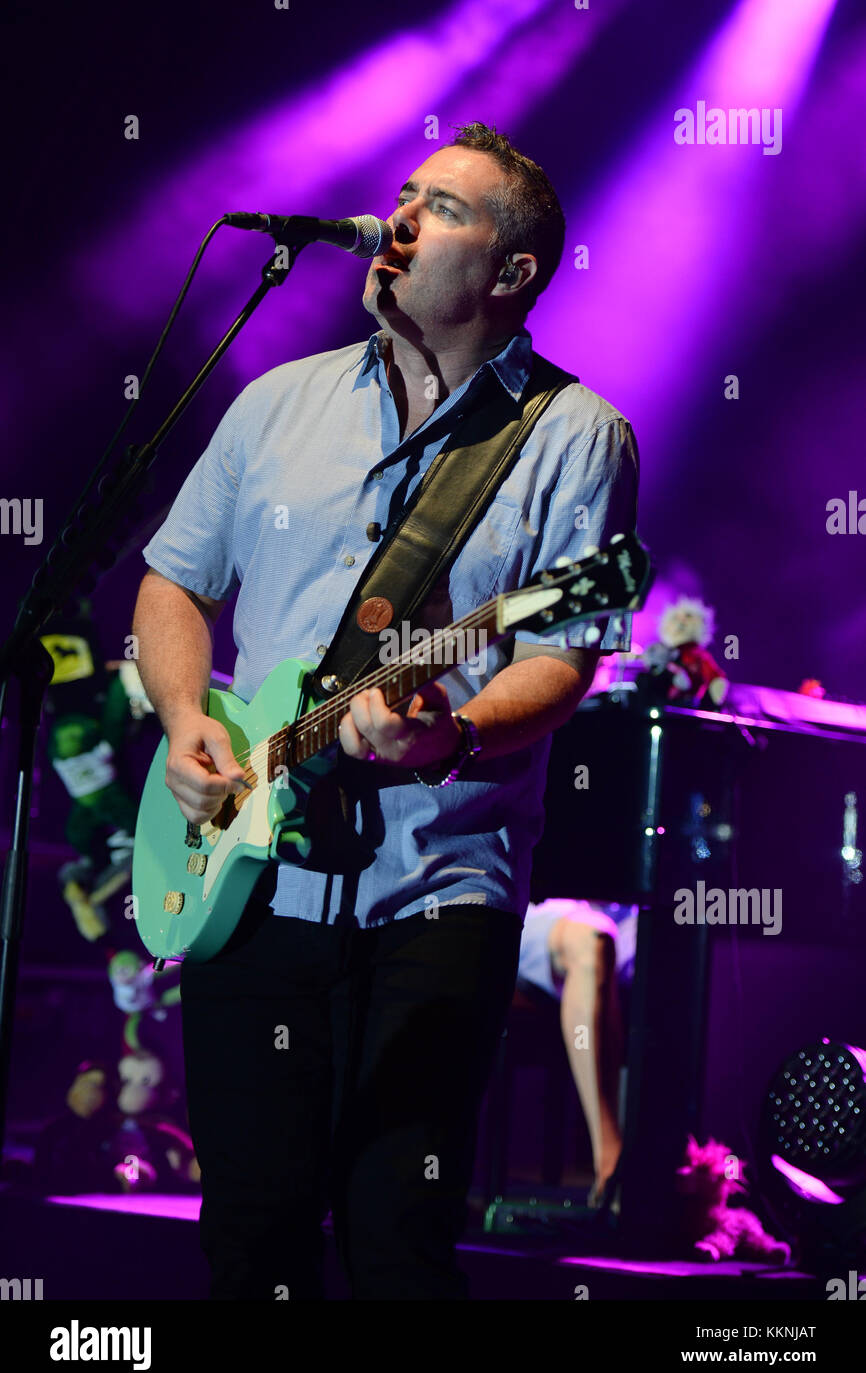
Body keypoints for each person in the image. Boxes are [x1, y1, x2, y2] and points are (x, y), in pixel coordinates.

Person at [132, 122, 639, 1300]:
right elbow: (171, 580)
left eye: (444, 207)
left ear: (511, 272)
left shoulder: (575, 436)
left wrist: (450, 732)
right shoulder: (275, 401)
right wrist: (177, 718)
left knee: (393, 1237)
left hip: (434, 891)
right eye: (402, 193)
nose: (399, 218)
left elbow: (567, 653)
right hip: (249, 885)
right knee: (249, 1234)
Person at [518, 898, 638, 1207]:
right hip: (541, 906)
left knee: (683, 939)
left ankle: (676, 1169)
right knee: (594, 942)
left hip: (630, 910)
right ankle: (611, 1169)